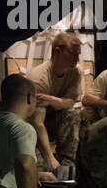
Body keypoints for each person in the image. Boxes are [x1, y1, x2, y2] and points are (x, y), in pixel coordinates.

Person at [27, 31, 85, 172]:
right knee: (41, 168)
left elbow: (70, 102)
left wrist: (52, 100)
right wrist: (49, 157)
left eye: (78, 54)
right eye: (73, 54)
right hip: (32, 126)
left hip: (53, 118)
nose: (77, 59)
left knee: (72, 116)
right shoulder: (39, 78)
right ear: (58, 51)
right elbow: (37, 123)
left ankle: (68, 166)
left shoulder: (75, 72)